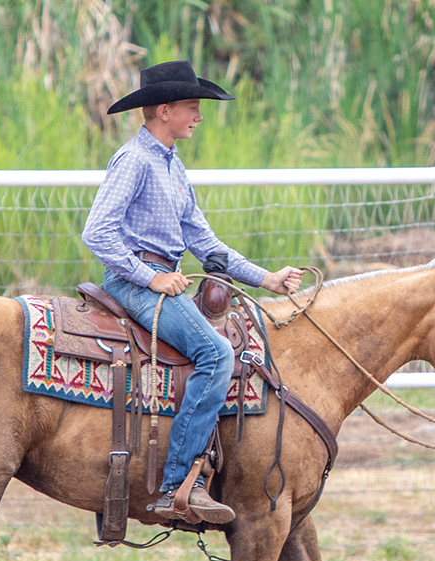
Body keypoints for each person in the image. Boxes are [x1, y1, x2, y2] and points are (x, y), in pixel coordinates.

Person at [82, 60, 304, 524]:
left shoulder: (172, 165)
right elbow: (98, 233)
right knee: (218, 355)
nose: (199, 117)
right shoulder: (135, 160)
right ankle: (177, 485)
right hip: (133, 283)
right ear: (164, 110)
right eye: (191, 107)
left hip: (160, 278)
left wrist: (267, 279)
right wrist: (150, 276)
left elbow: (204, 242)